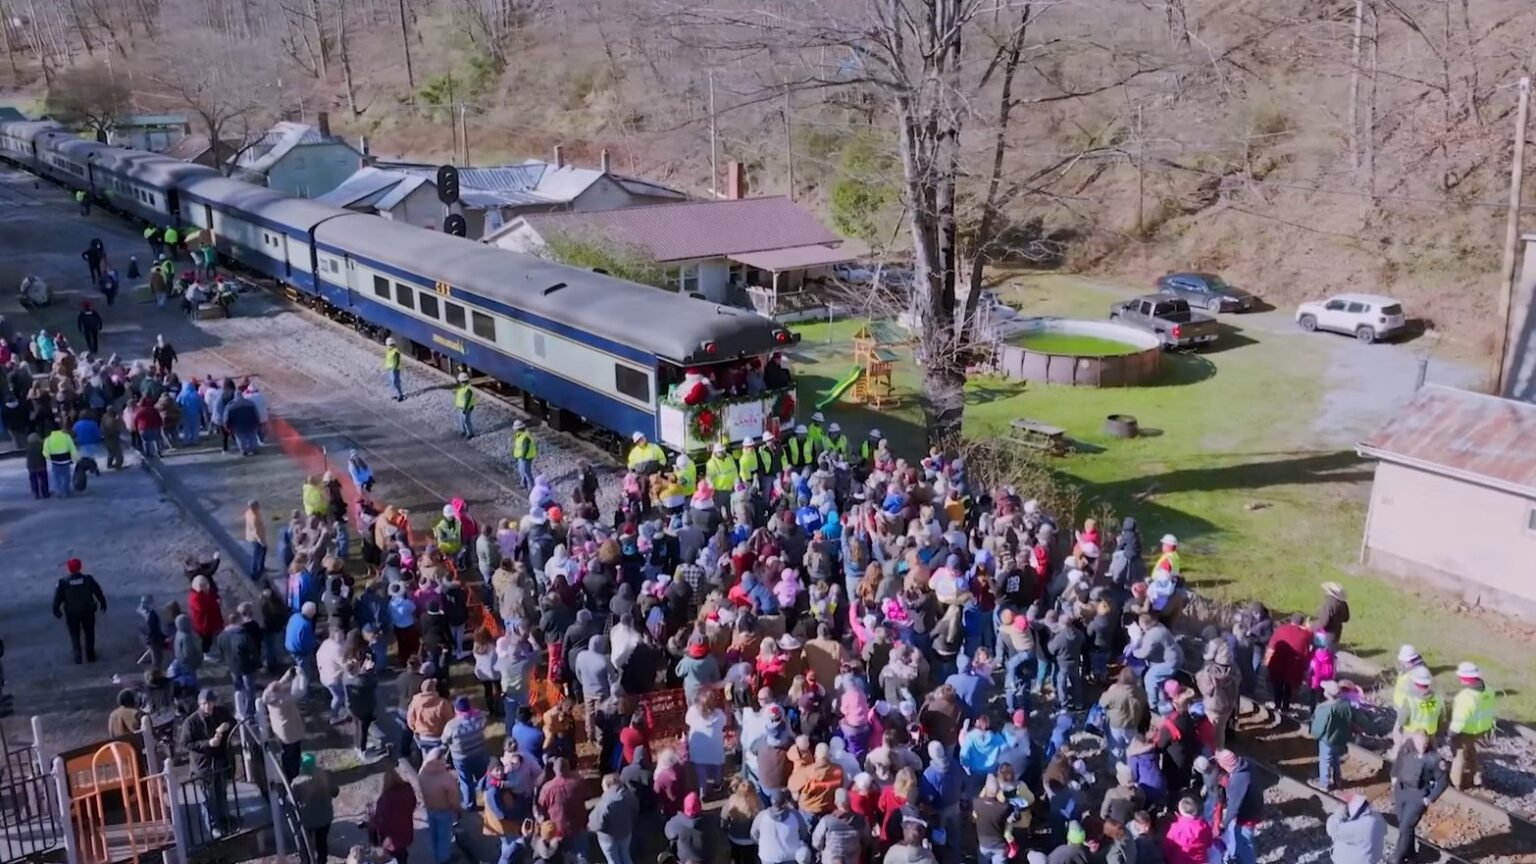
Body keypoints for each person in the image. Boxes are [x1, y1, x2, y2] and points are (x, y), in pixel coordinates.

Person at [179, 688, 236, 836]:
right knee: (207, 796)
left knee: (221, 791)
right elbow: (185, 743)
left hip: (220, 759)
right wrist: (208, 743)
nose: (208, 706)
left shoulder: (221, 712)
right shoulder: (191, 722)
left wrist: (227, 725)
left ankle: (224, 818)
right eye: (204, 703)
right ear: (199, 704)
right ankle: (213, 825)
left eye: (210, 703)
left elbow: (233, 722)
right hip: (203, 764)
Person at [1389, 731, 1448, 864]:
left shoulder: (1434, 758)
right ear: (1414, 741)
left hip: (1418, 795)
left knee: (1405, 827)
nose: (1423, 747)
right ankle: (1411, 856)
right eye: (1420, 744)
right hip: (1402, 791)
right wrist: (1394, 776)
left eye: (1425, 744)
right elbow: (1398, 762)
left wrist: (1430, 797)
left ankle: (1397, 858)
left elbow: (1443, 781)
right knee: (1404, 825)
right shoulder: (1407, 748)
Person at [1448, 662, 1495, 789]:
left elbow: (1459, 721)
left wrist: (1451, 734)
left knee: (1459, 755)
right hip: (1481, 729)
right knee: (1471, 750)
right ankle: (1477, 777)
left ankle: (1455, 783)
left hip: (1466, 731)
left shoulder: (1465, 697)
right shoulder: (1489, 690)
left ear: (1463, 678)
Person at [52, 558, 107, 664]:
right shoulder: (88, 579)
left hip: (72, 614)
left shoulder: (63, 583)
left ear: (69, 569)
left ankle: (78, 657)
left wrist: (56, 611)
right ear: (80, 567)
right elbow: (98, 592)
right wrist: (103, 603)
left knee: (74, 635)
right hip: (88, 612)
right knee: (89, 634)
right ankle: (90, 656)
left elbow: (58, 598)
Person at [442, 695, 490, 809]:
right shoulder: (479, 719)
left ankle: (470, 804)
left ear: (456, 710)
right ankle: (488, 799)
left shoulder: (451, 726)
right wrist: (476, 712)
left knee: (466, 781)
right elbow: (484, 717)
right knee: (483, 777)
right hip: (479, 753)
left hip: (460, 757)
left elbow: (444, 740)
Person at [418, 748, 462, 864]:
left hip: (430, 808)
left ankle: (435, 854)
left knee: (433, 834)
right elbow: (453, 800)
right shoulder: (446, 778)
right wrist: (457, 811)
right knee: (444, 837)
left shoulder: (422, 771)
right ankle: (443, 858)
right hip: (444, 811)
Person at [1309, 679, 1354, 791]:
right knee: (1336, 758)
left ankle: (1324, 784)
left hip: (1327, 739)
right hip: (1339, 738)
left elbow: (1319, 727)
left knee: (1325, 760)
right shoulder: (1345, 705)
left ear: (1327, 693)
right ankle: (1337, 781)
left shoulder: (1324, 707)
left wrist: (1314, 733)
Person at [294, 754, 339, 862]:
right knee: (322, 842)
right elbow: (335, 792)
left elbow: (292, 802)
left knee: (304, 843)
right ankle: (322, 861)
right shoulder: (324, 775)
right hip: (325, 817)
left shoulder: (297, 783)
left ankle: (306, 861)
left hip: (307, 820)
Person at [263, 670, 306, 779]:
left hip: (280, 732)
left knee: (285, 754)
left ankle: (286, 775)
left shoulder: (269, 697)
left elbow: (277, 685)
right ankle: (292, 777)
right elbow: (301, 691)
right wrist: (301, 676)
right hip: (291, 733)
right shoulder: (285, 701)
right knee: (294, 755)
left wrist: (289, 674)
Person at [370, 768, 418, 864]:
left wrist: (372, 820)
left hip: (392, 837)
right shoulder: (408, 790)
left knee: (395, 855)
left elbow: (380, 822)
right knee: (402, 850)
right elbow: (413, 804)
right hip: (406, 829)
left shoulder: (385, 799)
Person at [589, 773, 638, 864]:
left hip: (608, 838)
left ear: (607, 786)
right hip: (625, 833)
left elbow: (596, 824)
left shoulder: (605, 803)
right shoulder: (629, 795)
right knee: (625, 855)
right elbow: (635, 809)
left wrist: (590, 827)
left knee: (613, 860)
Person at [751, 789, 809, 864]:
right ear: (785, 801)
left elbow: (754, 835)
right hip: (789, 857)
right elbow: (803, 834)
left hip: (768, 857)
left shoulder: (761, 816)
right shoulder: (795, 815)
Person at [1327, 793, 1385, 864]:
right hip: (1364, 820)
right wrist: (1341, 810)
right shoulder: (1368, 823)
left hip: (1370, 822)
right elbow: (1332, 829)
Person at [41, 424, 78, 499]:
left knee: (56, 477)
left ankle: (58, 491)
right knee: (66, 476)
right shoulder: (67, 437)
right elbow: (72, 448)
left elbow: (45, 452)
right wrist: (74, 459)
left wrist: (50, 458)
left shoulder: (48, 439)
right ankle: (66, 491)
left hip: (55, 461)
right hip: (66, 460)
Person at [245, 501, 268, 582]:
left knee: (258, 554)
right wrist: (262, 542)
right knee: (257, 555)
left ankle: (261, 567)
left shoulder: (248, 513)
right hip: (256, 539)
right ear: (255, 508)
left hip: (250, 537)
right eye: (258, 506)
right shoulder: (254, 518)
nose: (259, 507)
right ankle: (254, 573)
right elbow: (256, 532)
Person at [512, 420, 537, 489]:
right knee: (521, 471)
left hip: (526, 457)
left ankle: (531, 487)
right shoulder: (519, 435)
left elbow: (525, 448)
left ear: (518, 429)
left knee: (526, 471)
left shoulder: (525, 437)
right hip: (521, 456)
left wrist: (523, 456)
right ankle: (523, 484)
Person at [454, 372, 476, 438]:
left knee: (466, 421)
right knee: (462, 420)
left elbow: (467, 400)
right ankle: (463, 431)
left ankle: (470, 433)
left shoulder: (468, 389)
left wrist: (465, 408)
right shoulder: (462, 387)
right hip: (462, 407)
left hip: (466, 408)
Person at [383, 337, 404, 402]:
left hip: (394, 369)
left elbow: (396, 361)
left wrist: (394, 369)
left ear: (391, 344)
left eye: (388, 345)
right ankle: (395, 394)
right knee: (391, 382)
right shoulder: (389, 350)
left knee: (395, 382)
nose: (387, 346)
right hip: (389, 368)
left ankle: (400, 395)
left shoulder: (395, 352)